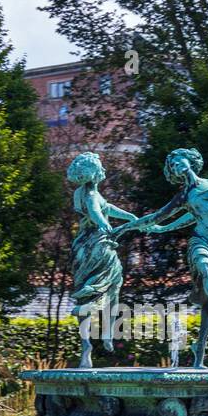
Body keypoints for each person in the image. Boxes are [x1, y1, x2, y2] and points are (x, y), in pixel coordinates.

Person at [121, 148, 208, 368]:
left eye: (178, 161)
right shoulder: (183, 195)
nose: (177, 166)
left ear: (191, 160)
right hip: (200, 240)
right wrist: (128, 227)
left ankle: (199, 353)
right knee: (205, 267)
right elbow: (156, 216)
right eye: (172, 166)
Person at [67, 152, 138, 368]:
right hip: (99, 246)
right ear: (96, 172)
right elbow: (97, 211)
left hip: (81, 246)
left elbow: (106, 208)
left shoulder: (79, 192)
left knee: (84, 295)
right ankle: (107, 332)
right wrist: (106, 226)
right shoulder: (90, 194)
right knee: (113, 285)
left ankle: (86, 344)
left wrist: (129, 217)